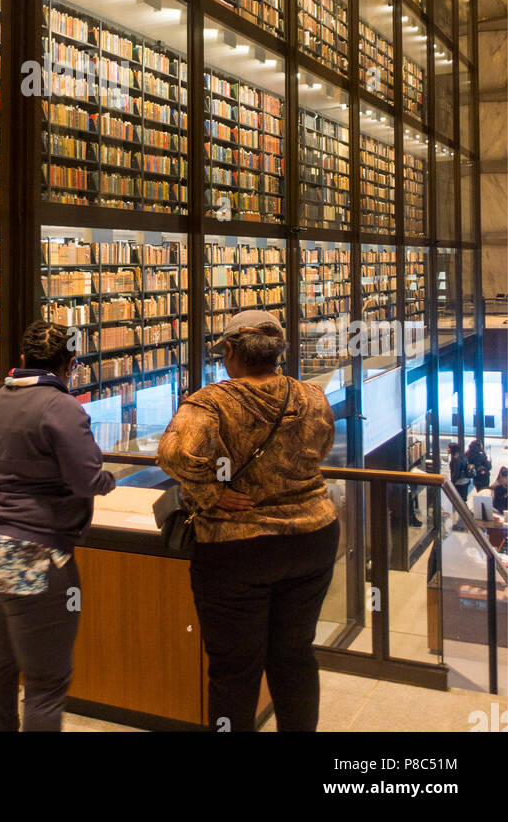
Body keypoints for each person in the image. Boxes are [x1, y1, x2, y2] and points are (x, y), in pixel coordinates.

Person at [157, 310, 339, 734]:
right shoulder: (312, 396)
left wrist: (214, 490)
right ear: (278, 352)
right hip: (312, 537)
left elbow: (174, 454)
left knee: (234, 670)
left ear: (232, 352)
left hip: (238, 547)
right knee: (295, 657)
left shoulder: (212, 402)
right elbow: (322, 448)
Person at [0, 321, 116, 732]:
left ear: (22, 359)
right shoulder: (62, 407)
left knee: (0, 662)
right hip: (35, 551)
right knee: (46, 682)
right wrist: (109, 479)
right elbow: (86, 478)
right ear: (71, 363)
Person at [448, 442, 472, 512]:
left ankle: (463, 514)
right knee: (463, 498)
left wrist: (452, 482)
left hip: (459, 482)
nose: (447, 449)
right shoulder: (463, 456)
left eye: (448, 448)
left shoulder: (455, 459)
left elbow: (456, 472)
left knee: (459, 500)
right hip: (465, 480)